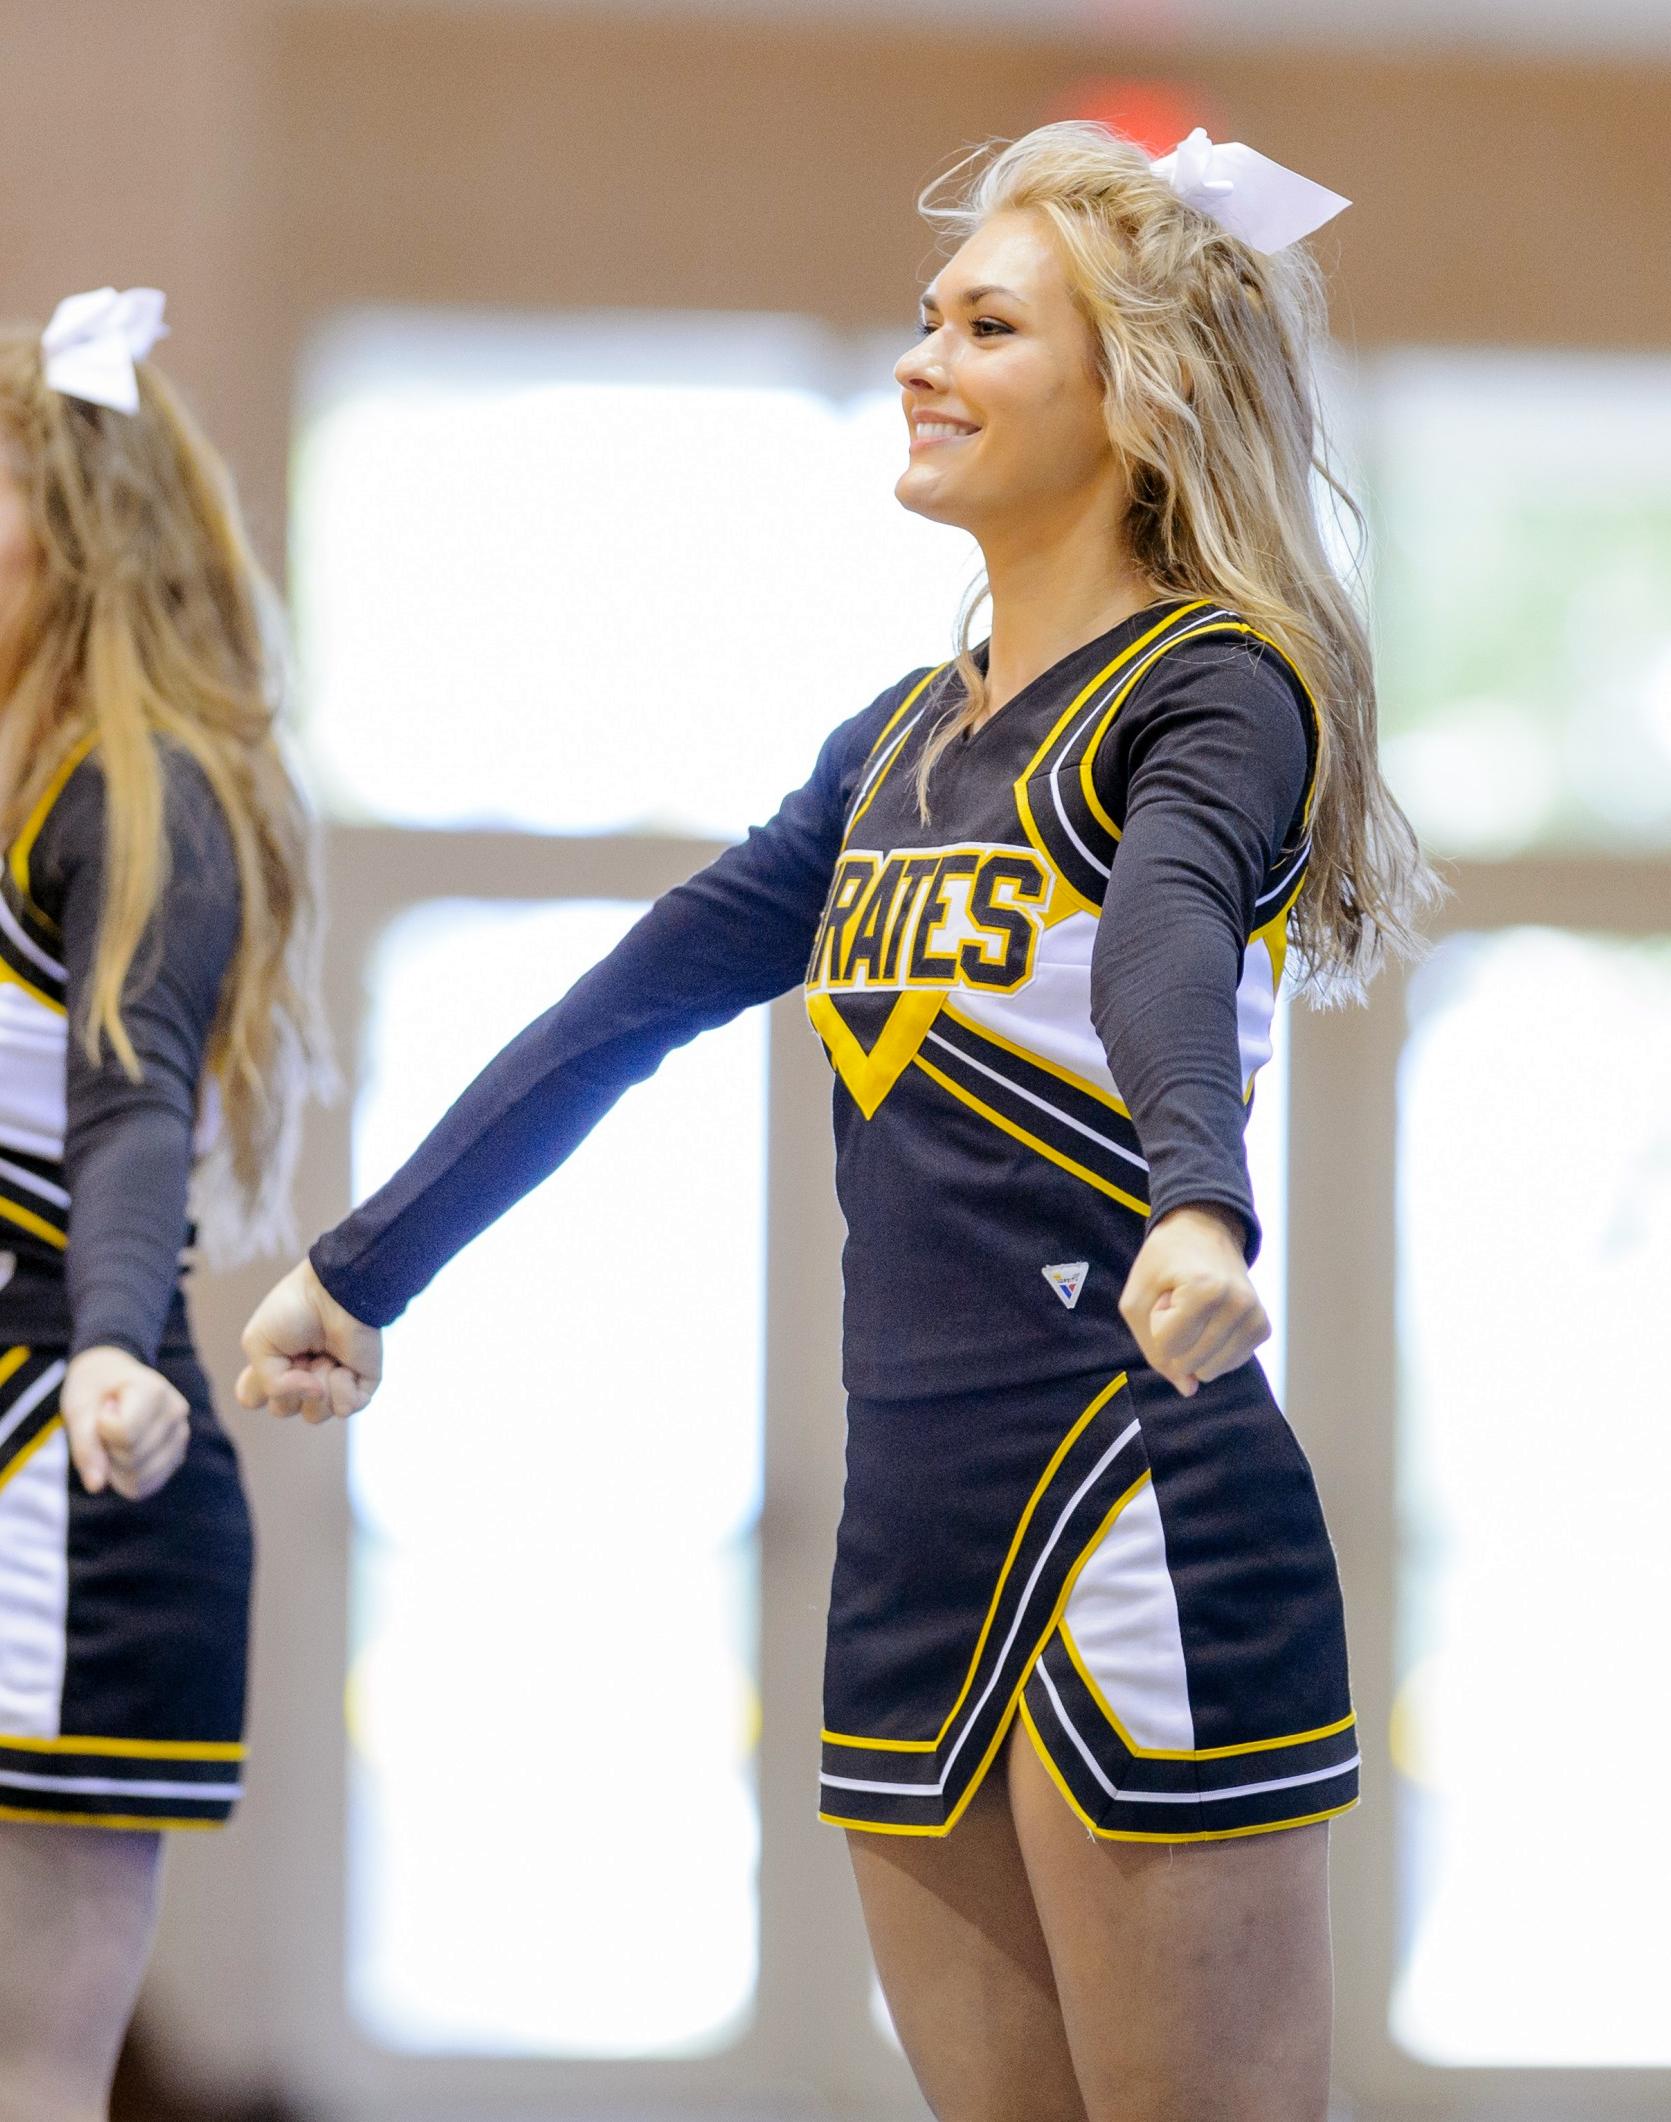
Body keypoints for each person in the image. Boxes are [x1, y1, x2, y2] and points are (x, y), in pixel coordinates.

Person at [239, 125, 1437, 2120]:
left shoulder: (1215, 684)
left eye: (985, 322)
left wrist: (1199, 1201)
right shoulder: (894, 738)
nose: (922, 356)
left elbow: (1156, 938)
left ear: (1128, 389)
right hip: (908, 1544)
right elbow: (641, 992)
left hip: (1125, 1510)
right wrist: (363, 1265)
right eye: (920, 317)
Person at [0, 289, 324, 2122]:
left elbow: (129, 1104)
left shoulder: (144, 800)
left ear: (79, 529)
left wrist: (118, 1346)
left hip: (69, 1464)